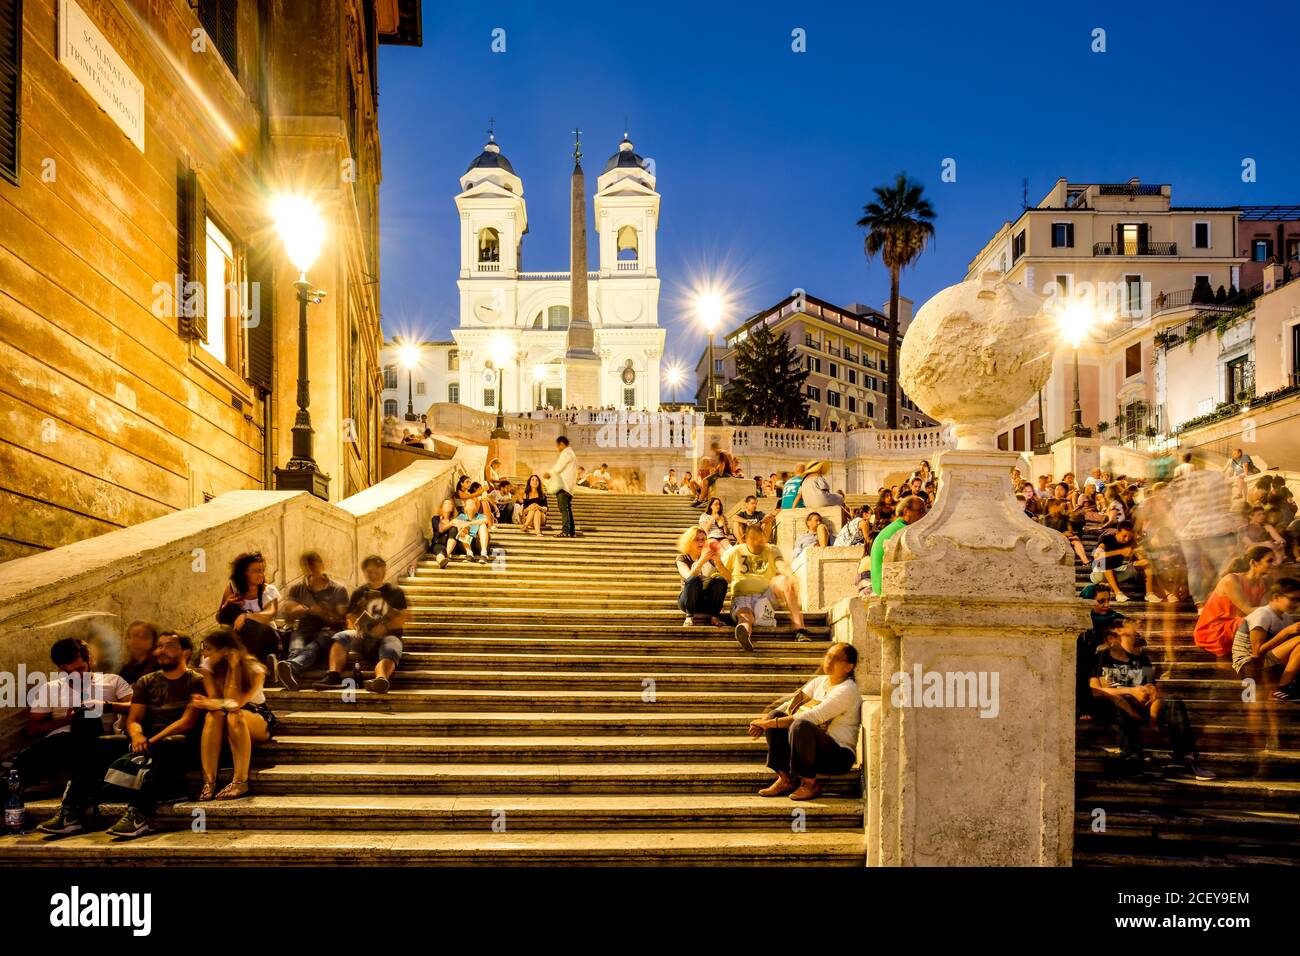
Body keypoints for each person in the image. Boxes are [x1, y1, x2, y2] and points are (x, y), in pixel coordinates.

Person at [98, 631, 206, 838]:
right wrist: (137, 736)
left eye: (169, 646)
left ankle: (138, 813)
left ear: (186, 652)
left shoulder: (197, 681)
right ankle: (73, 808)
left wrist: (152, 741)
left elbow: (186, 722)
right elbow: (134, 718)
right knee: (103, 743)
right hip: (147, 741)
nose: (161, 650)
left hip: (180, 743)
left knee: (170, 744)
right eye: (160, 645)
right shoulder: (146, 681)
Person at [18, 639, 133, 833]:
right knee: (25, 761)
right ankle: (71, 809)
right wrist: (66, 720)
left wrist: (104, 705)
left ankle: (71, 810)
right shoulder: (50, 688)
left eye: (80, 669)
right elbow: (32, 729)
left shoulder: (112, 681)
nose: (77, 676)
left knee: (87, 717)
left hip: (103, 743)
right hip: (64, 745)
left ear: (90, 660)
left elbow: (137, 709)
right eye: (69, 672)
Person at [1090, 620, 1214, 779]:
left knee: (1173, 702)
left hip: (1143, 703)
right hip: (1115, 705)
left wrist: (1150, 700)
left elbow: (1151, 686)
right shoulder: (1099, 658)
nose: (1133, 636)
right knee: (1121, 703)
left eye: (1133, 635)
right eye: (1128, 633)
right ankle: (1131, 756)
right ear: (1112, 637)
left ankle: (1184, 758)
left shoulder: (1142, 659)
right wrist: (1131, 691)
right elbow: (1096, 690)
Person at [749, 643, 862, 800]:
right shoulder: (819, 682)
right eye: (828, 656)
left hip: (838, 756)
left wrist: (768, 724)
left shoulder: (847, 690)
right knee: (776, 714)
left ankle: (810, 784)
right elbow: (790, 705)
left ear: (849, 667)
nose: (829, 661)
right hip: (809, 750)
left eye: (835, 658)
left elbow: (813, 716)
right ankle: (785, 779)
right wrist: (765, 721)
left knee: (800, 725)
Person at [194, 627, 276, 800]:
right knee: (212, 715)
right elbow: (215, 701)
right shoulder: (207, 665)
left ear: (224, 651)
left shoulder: (254, 669)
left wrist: (234, 668)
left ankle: (240, 781)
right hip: (223, 714)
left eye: (209, 649)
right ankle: (208, 781)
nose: (204, 652)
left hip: (255, 715)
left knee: (234, 715)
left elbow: (235, 703)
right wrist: (212, 703)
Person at [313, 555, 408, 694]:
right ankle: (333, 674)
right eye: (369, 572)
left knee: (392, 646)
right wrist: (357, 622)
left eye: (376, 571)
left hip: (389, 636)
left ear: (384, 571)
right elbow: (349, 619)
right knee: (341, 637)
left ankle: (381, 679)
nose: (373, 575)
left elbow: (402, 620)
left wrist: (386, 623)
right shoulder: (359, 592)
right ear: (365, 572)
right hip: (363, 636)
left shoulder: (395, 592)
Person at [721, 523, 809, 649]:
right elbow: (723, 573)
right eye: (753, 538)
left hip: (766, 595)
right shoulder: (735, 551)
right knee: (745, 617)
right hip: (742, 595)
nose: (757, 542)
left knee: (785, 581)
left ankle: (799, 628)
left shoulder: (771, 549)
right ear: (746, 538)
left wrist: (790, 575)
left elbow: (780, 563)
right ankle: (744, 633)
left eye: (759, 539)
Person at [275, 551, 350, 690]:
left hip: (327, 630)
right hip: (304, 627)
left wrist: (325, 612)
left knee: (314, 646)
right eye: (308, 566)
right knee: (296, 646)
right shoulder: (298, 588)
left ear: (322, 565)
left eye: (314, 565)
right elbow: (288, 615)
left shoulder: (338, 589)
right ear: (303, 568)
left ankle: (289, 667)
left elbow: (343, 619)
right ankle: (289, 671)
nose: (311, 569)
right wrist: (299, 609)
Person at [1193, 545, 1275, 659]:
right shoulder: (1231, 580)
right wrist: (1277, 608)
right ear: (1254, 563)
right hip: (1215, 629)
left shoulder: (1263, 583)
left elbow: (1263, 610)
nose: (1274, 564)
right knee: (1259, 621)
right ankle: (1256, 657)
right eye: (1270, 561)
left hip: (1240, 623)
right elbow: (1248, 610)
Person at [1173, 466, 1240, 605]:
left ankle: (1200, 602)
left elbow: (1179, 518)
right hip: (1207, 531)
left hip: (1189, 534)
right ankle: (1220, 596)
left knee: (1195, 567)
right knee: (1220, 564)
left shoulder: (1186, 497)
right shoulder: (1211, 496)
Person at [1232, 578, 1300, 698]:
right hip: (1250, 665)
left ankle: (1285, 685)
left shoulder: (1286, 617)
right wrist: (1287, 631)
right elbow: (1257, 652)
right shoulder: (1262, 614)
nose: (1297, 604)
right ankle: (1283, 686)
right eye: (1293, 599)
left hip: (1270, 662)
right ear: (1276, 597)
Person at [216, 552, 281, 666]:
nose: (260, 574)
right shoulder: (232, 589)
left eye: (261, 570)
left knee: (249, 623)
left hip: (267, 636)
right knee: (230, 611)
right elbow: (220, 618)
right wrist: (227, 604)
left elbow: (271, 614)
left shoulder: (268, 590)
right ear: (244, 573)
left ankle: (255, 662)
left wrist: (246, 616)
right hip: (243, 638)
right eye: (256, 571)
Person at [869, 495, 927, 595]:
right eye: (921, 511)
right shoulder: (902, 531)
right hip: (886, 588)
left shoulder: (895, 527)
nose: (925, 515)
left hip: (879, 587)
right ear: (906, 511)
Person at [675, 526, 732, 626]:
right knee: (694, 579)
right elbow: (688, 577)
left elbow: (730, 579)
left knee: (720, 580)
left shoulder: (710, 557)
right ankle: (689, 617)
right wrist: (701, 561)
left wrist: (719, 564)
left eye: (703, 540)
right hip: (688, 601)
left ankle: (715, 617)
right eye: (697, 540)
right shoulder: (682, 558)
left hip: (706, 601)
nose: (701, 542)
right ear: (689, 542)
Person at [1089, 522, 1154, 602]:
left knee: (1145, 563)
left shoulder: (1130, 541)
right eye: (1124, 536)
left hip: (1117, 571)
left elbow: (1140, 557)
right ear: (1117, 532)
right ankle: (1118, 593)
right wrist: (1120, 551)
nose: (1127, 539)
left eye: (1130, 536)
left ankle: (1149, 594)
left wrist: (1140, 554)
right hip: (1098, 573)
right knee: (1106, 563)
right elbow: (1097, 556)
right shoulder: (1107, 539)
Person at [543, 435, 579, 538]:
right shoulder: (572, 454)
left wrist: (548, 474)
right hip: (569, 487)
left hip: (564, 486)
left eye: (558, 446)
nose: (558, 449)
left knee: (563, 509)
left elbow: (558, 467)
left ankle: (565, 531)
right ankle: (571, 532)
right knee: (567, 509)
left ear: (562, 444)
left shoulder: (566, 453)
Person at [429, 498, 461, 566]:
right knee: (440, 552)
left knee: (453, 529)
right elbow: (441, 529)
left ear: (452, 508)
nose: (448, 505)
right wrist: (452, 523)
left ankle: (446, 555)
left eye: (450, 504)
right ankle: (441, 562)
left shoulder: (455, 520)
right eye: (446, 503)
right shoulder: (436, 518)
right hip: (438, 544)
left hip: (452, 546)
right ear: (442, 507)